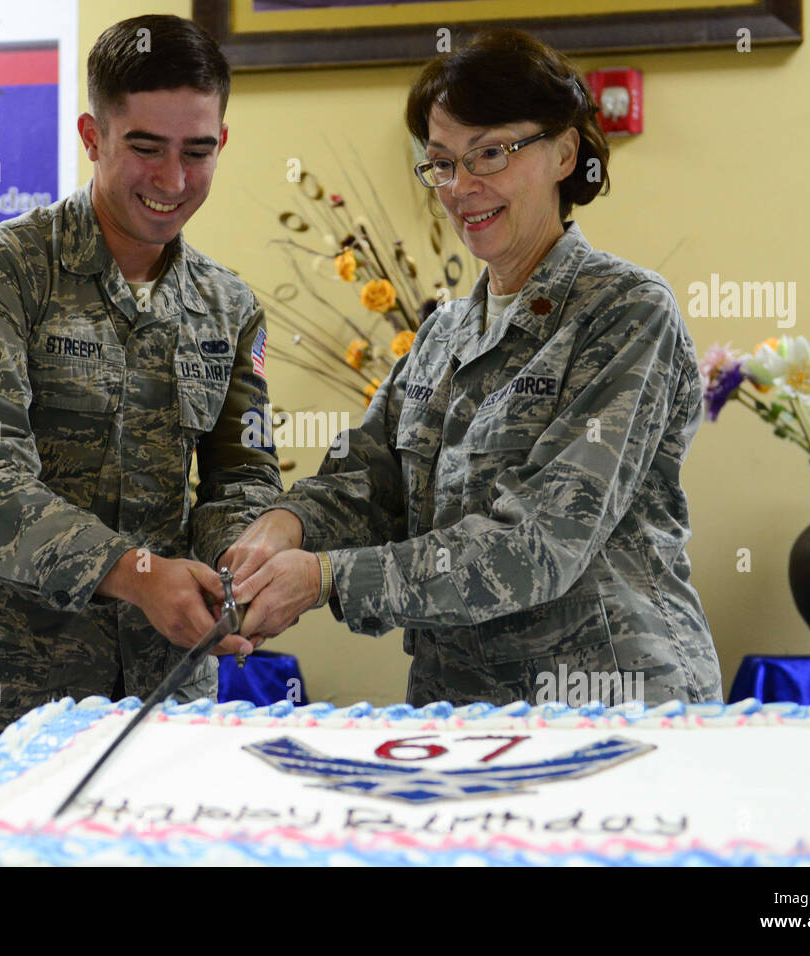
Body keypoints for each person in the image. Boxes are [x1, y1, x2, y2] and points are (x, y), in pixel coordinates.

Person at [223, 28, 721, 708]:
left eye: (489, 153)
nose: (461, 187)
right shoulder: (442, 335)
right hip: (457, 715)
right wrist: (287, 526)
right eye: (441, 163)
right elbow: (366, 485)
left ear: (564, 151)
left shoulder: (627, 312)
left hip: (608, 711)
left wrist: (326, 578)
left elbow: (539, 545)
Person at [0, 15, 282, 781]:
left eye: (197, 151)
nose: (173, 181)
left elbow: (242, 477)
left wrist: (245, 566)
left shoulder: (228, 306)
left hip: (169, 697)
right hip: (11, 704)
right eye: (146, 148)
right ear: (92, 135)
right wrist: (138, 574)